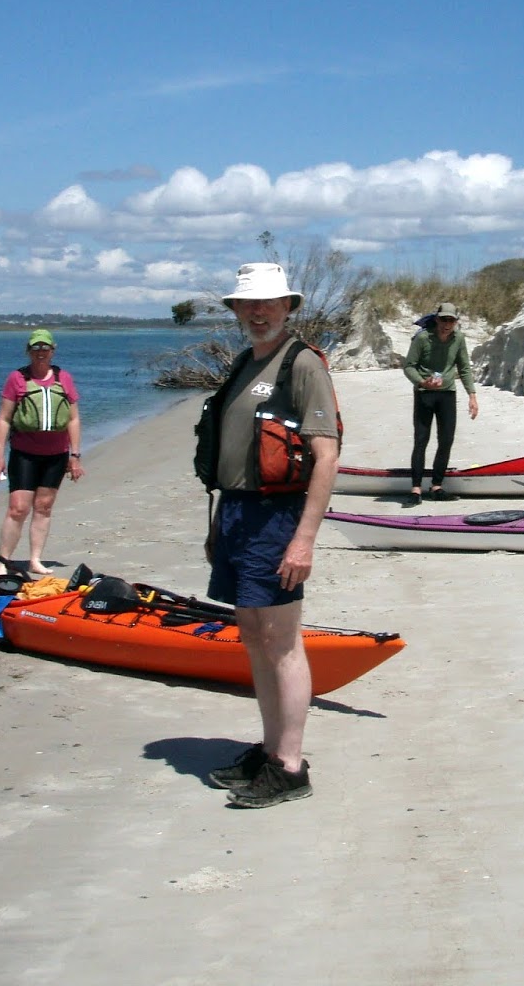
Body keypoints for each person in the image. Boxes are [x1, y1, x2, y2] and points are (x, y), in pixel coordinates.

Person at [200, 263, 341, 808]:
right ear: (237, 311)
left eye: (269, 304)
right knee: (254, 639)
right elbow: (235, 458)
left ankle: (290, 766)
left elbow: (326, 457)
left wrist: (304, 539)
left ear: (288, 307)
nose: (258, 313)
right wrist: (219, 525)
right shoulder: (243, 364)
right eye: (248, 304)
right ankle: (269, 749)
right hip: (237, 515)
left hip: (278, 519)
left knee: (281, 642)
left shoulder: (302, 366)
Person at [0, 328, 83, 576]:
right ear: (28, 351)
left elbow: (74, 419)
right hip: (24, 454)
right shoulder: (17, 379)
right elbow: (4, 419)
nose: (40, 353)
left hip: (56, 455)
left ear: (52, 350)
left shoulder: (64, 378)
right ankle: (3, 562)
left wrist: (75, 456)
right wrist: (0, 456)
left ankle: (35, 560)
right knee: (18, 508)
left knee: (43, 506)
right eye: (36, 348)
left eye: (45, 348)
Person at [402, 301, 480, 502]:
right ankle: (416, 489)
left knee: (446, 440)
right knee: (421, 440)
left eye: (451, 320)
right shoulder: (422, 338)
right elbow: (409, 366)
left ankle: (437, 486)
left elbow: (464, 368)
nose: (447, 324)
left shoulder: (459, 339)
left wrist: (472, 395)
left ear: (455, 322)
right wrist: (422, 382)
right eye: (443, 319)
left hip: (447, 394)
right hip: (424, 393)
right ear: (436, 319)